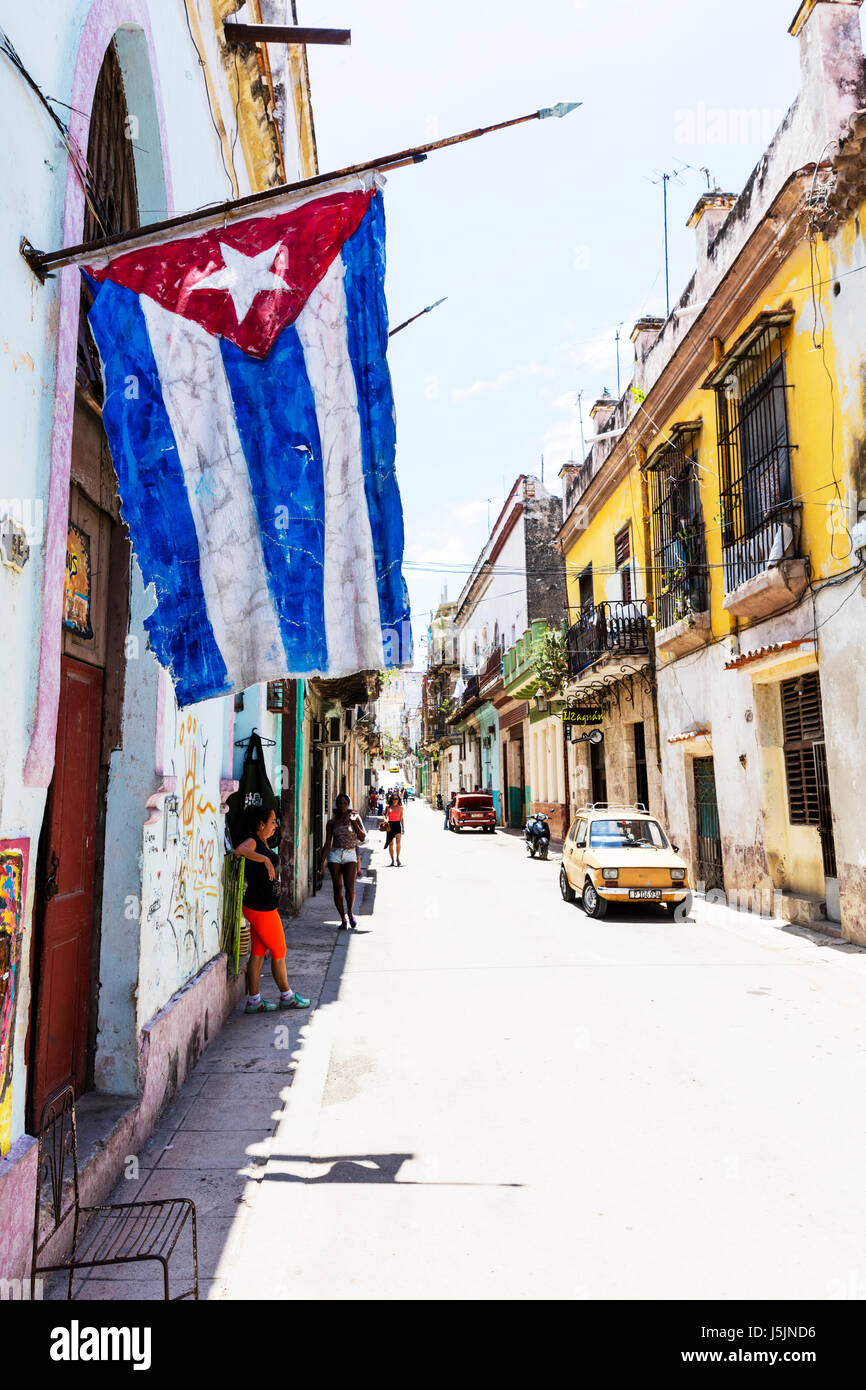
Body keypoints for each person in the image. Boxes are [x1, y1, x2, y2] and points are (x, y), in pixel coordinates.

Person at [233, 806, 310, 1013]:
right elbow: (240, 850)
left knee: (258, 952)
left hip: (259, 906)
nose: (275, 825)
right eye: (272, 821)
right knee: (279, 950)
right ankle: (287, 997)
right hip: (261, 909)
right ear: (261, 824)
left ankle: (254, 1000)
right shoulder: (253, 841)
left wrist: (265, 857)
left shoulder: (263, 842)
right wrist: (266, 859)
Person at [320, 793, 366, 928]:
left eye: (344, 803)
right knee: (337, 888)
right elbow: (327, 843)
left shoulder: (355, 818)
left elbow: (362, 837)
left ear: (348, 805)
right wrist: (321, 862)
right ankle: (343, 920)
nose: (342, 805)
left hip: (350, 854)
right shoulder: (332, 823)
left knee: (349, 887)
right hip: (335, 854)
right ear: (336, 805)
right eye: (339, 803)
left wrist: (353, 822)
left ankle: (350, 913)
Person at [384, 791, 405, 865]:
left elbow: (401, 818)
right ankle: (392, 860)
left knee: (398, 842)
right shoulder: (388, 807)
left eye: (396, 799)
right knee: (391, 844)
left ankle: (397, 858)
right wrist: (385, 820)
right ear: (391, 799)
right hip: (390, 826)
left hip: (397, 825)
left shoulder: (401, 808)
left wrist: (403, 827)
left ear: (398, 799)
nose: (395, 800)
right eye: (393, 799)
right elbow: (384, 815)